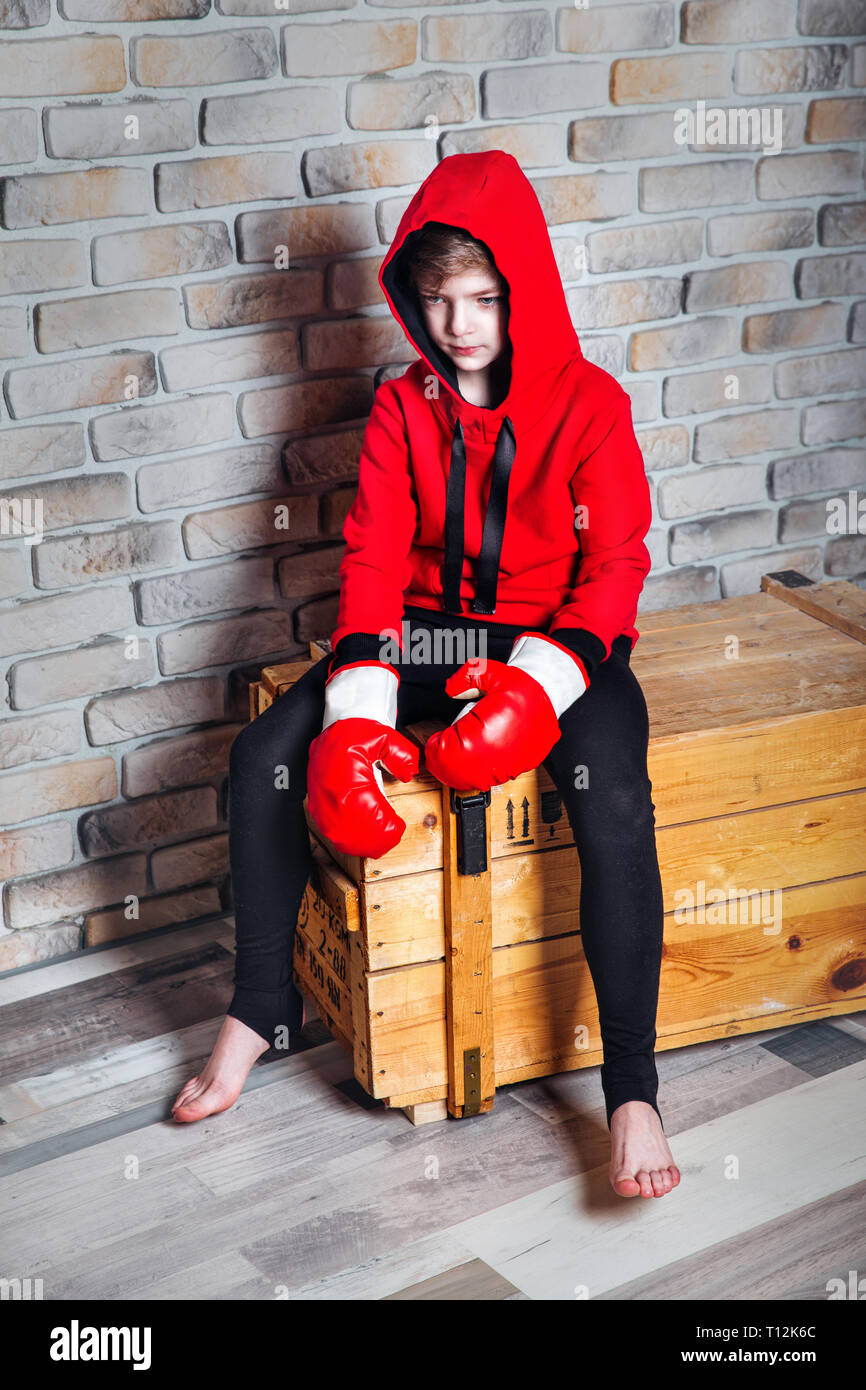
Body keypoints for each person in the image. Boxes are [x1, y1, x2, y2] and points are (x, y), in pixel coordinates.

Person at [172, 150, 680, 1201]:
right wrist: (357, 707)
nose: (459, 325)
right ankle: (257, 1010)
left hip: (556, 645)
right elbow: (369, 558)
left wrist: (538, 686)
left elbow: (615, 562)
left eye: (483, 298)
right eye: (437, 300)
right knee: (268, 751)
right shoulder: (404, 408)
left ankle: (632, 1087)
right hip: (427, 640)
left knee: (615, 800)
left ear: (522, 291)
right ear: (415, 303)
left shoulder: (590, 402)